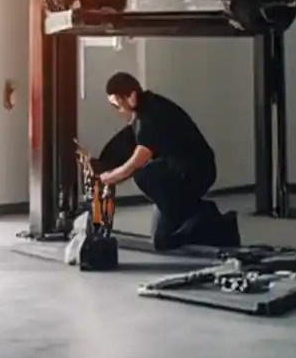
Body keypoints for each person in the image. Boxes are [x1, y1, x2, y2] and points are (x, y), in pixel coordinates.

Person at [92, 72, 240, 251]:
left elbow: (135, 164)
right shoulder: (145, 111)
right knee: (162, 241)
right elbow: (125, 144)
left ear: (131, 97)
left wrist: (107, 178)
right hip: (177, 171)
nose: (119, 111)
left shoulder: (151, 116)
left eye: (118, 105)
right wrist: (102, 167)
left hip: (195, 171)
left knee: (145, 176)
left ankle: (202, 212)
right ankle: (222, 226)